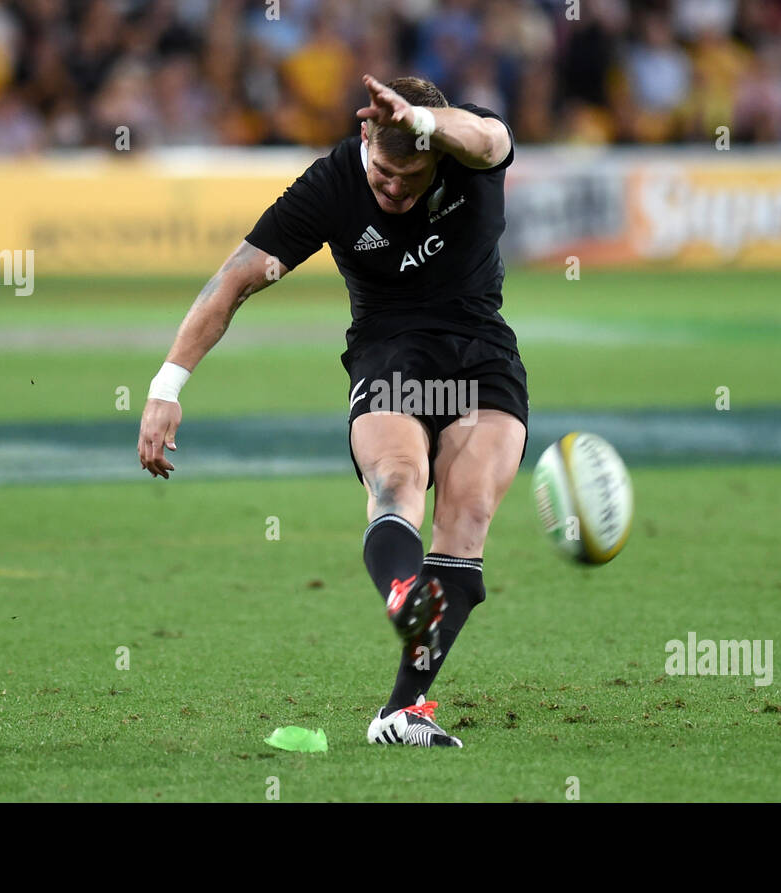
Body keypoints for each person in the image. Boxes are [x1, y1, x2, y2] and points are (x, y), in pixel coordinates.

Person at [137, 74, 528, 748]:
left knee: (469, 517)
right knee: (400, 480)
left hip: (483, 353)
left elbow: (490, 136)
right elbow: (233, 280)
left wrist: (431, 126)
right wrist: (167, 385)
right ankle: (407, 592)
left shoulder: (469, 148)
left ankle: (402, 712)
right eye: (384, 170)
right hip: (391, 353)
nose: (396, 188)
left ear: (435, 150)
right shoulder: (331, 185)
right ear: (364, 137)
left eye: (411, 175)